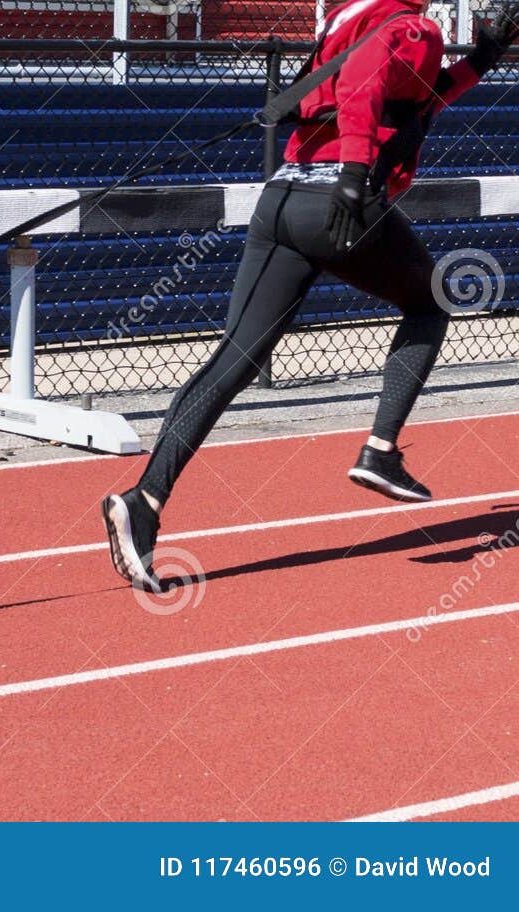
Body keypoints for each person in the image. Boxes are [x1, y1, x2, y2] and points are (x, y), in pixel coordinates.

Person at [103, 0, 519, 592]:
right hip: (339, 203)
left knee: (234, 359)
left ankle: (143, 500)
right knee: (430, 303)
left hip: (280, 202)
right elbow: (362, 88)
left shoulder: (344, 20)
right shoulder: (413, 26)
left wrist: (483, 58)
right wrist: (354, 174)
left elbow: (414, 101)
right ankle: (380, 449)